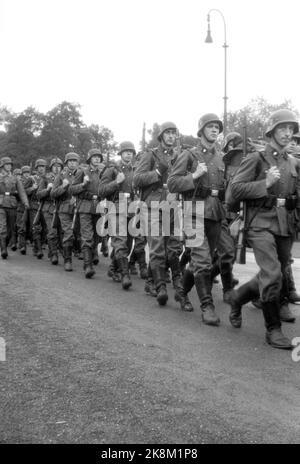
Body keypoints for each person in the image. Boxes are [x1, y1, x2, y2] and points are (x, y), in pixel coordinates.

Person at [228, 109, 300, 349]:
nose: (287, 133)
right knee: (272, 273)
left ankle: (237, 298)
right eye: (282, 128)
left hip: (284, 224)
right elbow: (235, 190)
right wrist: (265, 184)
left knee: (273, 272)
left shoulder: (293, 163)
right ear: (272, 132)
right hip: (260, 222)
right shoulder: (256, 159)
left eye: (291, 129)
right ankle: (273, 330)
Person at [168, 114, 226, 324]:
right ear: (201, 130)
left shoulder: (221, 156)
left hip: (216, 212)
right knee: (202, 261)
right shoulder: (189, 155)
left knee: (204, 260)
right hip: (194, 211)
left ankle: (182, 290)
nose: (214, 130)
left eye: (216, 127)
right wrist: (193, 176)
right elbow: (172, 183)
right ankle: (207, 307)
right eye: (210, 127)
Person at [134, 122, 193, 311]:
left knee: (174, 247)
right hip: (153, 205)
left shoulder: (181, 155)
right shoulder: (150, 155)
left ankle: (157, 282)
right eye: (167, 133)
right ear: (161, 136)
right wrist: (157, 172)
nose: (170, 136)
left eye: (173, 133)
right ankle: (160, 287)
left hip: (173, 204)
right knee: (157, 246)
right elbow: (137, 179)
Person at [99, 141, 136, 290]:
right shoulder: (111, 170)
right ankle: (125, 274)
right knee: (120, 242)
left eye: (131, 152)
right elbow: (101, 191)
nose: (129, 154)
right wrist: (116, 182)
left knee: (127, 243)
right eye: (126, 151)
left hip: (131, 208)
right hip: (115, 206)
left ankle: (114, 268)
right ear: (120, 154)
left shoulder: (136, 170)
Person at [69, 148, 105, 278]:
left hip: (99, 206)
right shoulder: (82, 172)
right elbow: (72, 189)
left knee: (97, 235)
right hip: (85, 205)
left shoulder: (103, 172)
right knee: (86, 236)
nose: (96, 159)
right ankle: (87, 265)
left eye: (98, 157)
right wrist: (83, 185)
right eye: (94, 157)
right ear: (89, 159)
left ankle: (93, 254)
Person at [51, 152, 80, 271]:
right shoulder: (61, 176)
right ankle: (68, 260)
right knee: (68, 233)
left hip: (78, 208)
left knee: (77, 234)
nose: (72, 163)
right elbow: (53, 194)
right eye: (70, 161)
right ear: (67, 163)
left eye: (75, 161)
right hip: (64, 208)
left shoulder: (81, 175)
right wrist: (63, 187)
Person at [0, 157, 29, 259]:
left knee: (10, 229)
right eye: (6, 164)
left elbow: (21, 191)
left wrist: (25, 202)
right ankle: (3, 249)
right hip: (1, 204)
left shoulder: (15, 178)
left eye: (10, 164)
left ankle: (4, 243)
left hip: (12, 204)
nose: (9, 166)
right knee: (2, 227)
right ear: (2, 166)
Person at [36, 157, 63, 264]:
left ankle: (57, 251)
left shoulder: (64, 178)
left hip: (62, 207)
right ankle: (54, 254)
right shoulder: (45, 179)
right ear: (51, 167)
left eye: (59, 166)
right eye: (54, 166)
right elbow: (38, 195)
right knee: (52, 232)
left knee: (62, 232)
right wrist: (47, 190)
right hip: (49, 207)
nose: (57, 169)